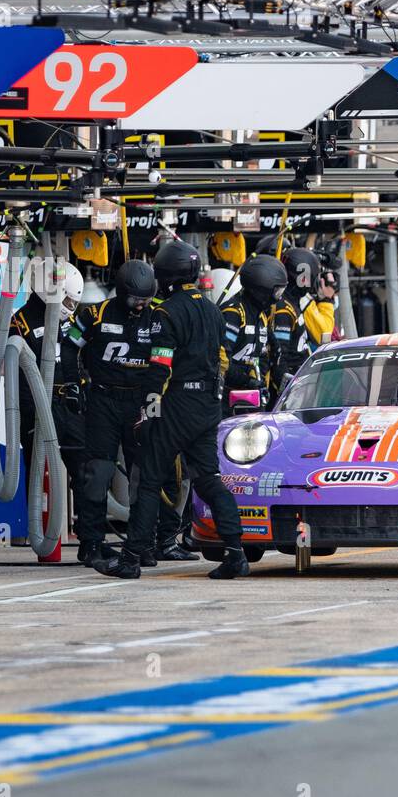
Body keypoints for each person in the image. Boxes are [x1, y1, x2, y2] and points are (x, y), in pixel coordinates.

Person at [95, 239, 249, 580]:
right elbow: (222, 360)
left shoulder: (166, 312)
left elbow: (159, 367)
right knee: (209, 478)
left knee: (149, 480)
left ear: (164, 275)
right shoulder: (212, 310)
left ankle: (132, 558)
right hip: (209, 405)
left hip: (177, 404)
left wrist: (148, 413)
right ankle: (236, 553)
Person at [61, 260, 197, 568]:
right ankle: (91, 543)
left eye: (146, 299)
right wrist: (73, 383)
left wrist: (155, 407)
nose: (141, 305)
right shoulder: (95, 314)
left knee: (147, 473)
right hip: (103, 400)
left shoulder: (159, 317)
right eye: (136, 299)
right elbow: (69, 347)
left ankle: (143, 543)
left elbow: (171, 361)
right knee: (97, 473)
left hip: (143, 401)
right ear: (122, 292)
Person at [10, 261, 85, 531]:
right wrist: (31, 415)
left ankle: (90, 539)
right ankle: (41, 536)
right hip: (38, 407)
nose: (71, 308)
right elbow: (16, 375)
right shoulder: (20, 322)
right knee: (39, 474)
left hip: (69, 405)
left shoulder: (71, 320)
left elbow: (79, 356)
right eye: (67, 300)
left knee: (85, 469)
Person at [221, 254, 285, 402]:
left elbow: (264, 355)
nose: (279, 298)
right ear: (261, 289)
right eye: (277, 292)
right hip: (228, 397)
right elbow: (221, 361)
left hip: (252, 395)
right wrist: (246, 381)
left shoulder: (260, 315)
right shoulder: (233, 313)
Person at [269, 247, 318, 391]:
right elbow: (279, 356)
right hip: (293, 384)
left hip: (302, 377)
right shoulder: (284, 309)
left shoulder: (293, 303)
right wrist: (289, 390)